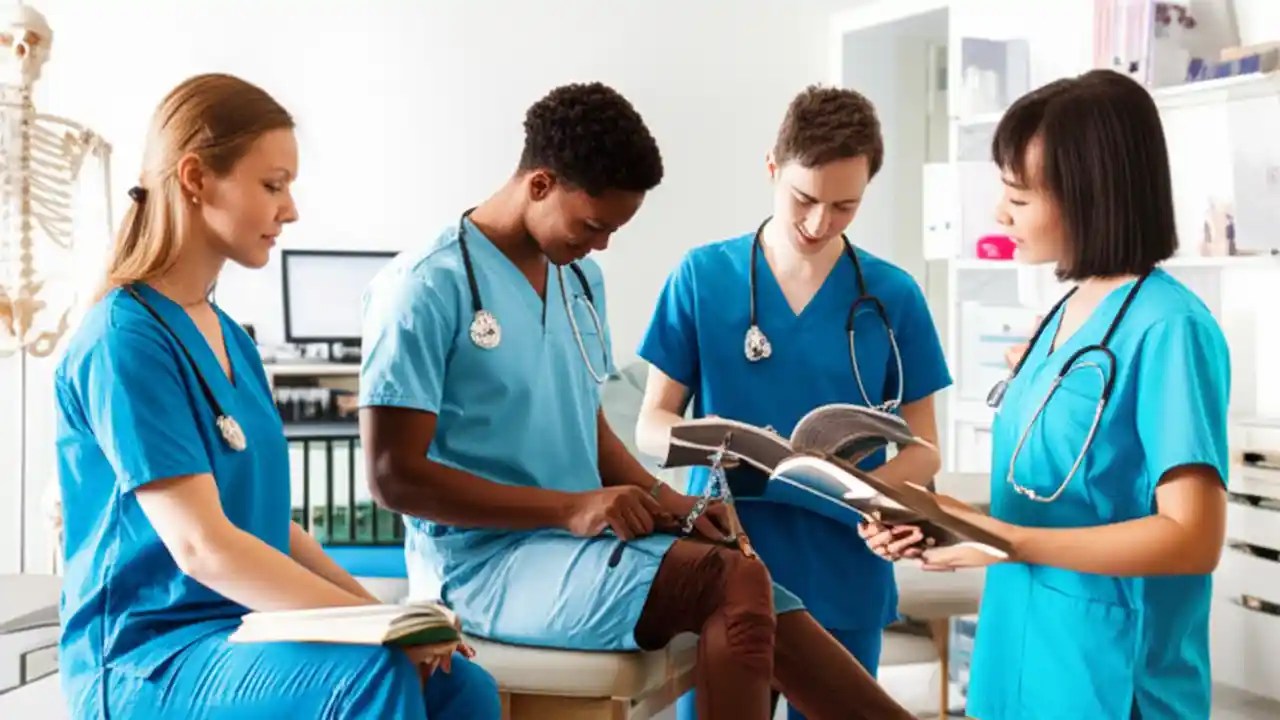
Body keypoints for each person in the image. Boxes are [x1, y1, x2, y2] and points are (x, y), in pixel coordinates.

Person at [358, 81, 917, 719]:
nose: (602, 247)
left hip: (569, 549)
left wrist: (668, 503)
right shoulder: (423, 288)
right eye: (594, 225)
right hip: (481, 564)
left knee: (741, 567)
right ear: (540, 184)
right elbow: (390, 476)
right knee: (728, 582)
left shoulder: (576, 278)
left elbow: (583, 425)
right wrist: (572, 508)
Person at [53, 73, 500, 720]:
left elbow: (271, 529)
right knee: (372, 674)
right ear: (196, 178)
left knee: (459, 682)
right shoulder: (126, 339)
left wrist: (397, 619)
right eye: (273, 185)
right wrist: (381, 632)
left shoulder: (231, 338)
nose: (289, 209)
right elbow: (203, 548)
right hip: (145, 660)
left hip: (240, 635)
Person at [865, 69, 1231, 719]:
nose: (998, 215)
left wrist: (1007, 539)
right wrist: (940, 520)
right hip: (1017, 655)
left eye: (1018, 197)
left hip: (1110, 677)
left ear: (1090, 196)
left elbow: (1192, 538)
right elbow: (1043, 498)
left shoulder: (1170, 329)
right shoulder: (1064, 317)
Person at [634, 84, 953, 719]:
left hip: (844, 567)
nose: (818, 223)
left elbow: (926, 450)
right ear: (772, 169)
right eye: (803, 199)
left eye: (845, 206)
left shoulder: (894, 296)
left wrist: (864, 493)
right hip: (725, 562)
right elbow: (651, 424)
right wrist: (714, 437)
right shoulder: (702, 278)